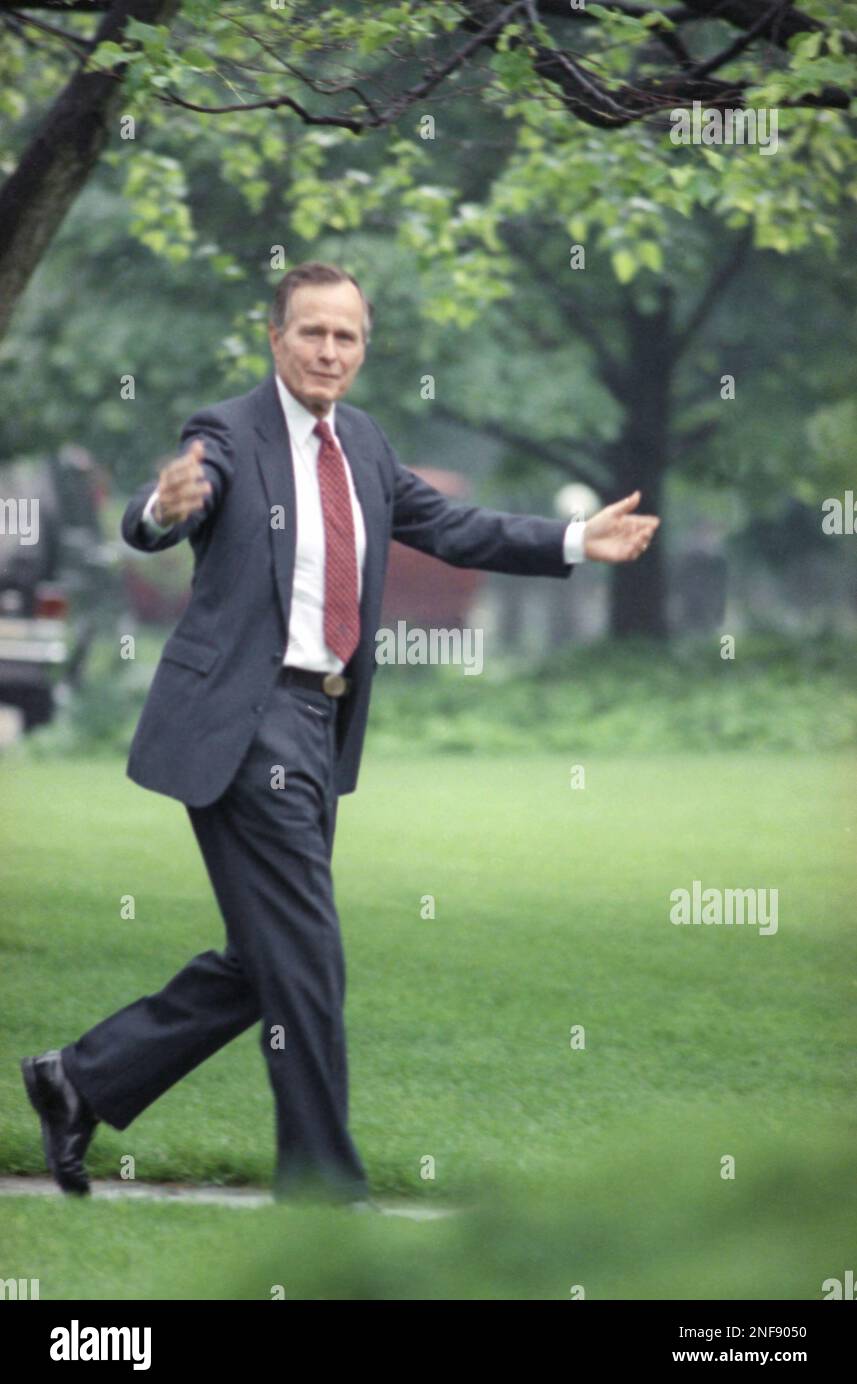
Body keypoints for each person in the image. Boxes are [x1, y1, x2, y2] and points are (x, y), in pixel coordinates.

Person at [21, 261, 659, 1208]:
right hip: (245, 724)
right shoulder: (227, 431)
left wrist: (572, 542)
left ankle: (80, 1079)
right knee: (311, 962)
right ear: (275, 338)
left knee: (265, 960)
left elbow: (451, 525)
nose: (328, 350)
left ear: (364, 349)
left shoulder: (360, 442)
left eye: (346, 336)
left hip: (320, 724)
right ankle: (323, 1192)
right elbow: (161, 512)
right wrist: (164, 508)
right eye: (311, 331)